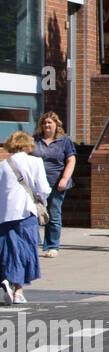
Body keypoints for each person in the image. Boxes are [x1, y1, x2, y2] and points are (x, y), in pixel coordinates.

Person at [0, 131, 49, 304]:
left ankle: (7, 279)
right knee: (26, 249)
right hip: (26, 212)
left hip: (5, 214)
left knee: (9, 250)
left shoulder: (4, 164)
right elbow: (43, 188)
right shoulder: (35, 162)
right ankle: (18, 291)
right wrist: (42, 201)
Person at [33, 112, 75, 258]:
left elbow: (71, 160)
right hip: (37, 184)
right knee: (34, 214)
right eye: (44, 123)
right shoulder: (35, 140)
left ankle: (52, 246)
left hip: (56, 183)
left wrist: (64, 178)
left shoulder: (64, 141)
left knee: (54, 214)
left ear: (56, 124)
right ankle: (33, 243)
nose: (47, 125)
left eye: (50, 122)